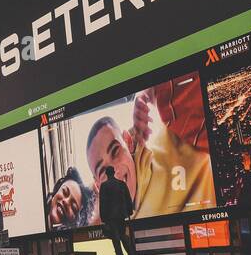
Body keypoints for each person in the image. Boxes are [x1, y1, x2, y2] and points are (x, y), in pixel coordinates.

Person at [84, 82, 215, 224]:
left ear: (128, 142)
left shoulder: (171, 142)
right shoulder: (113, 229)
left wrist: (147, 93)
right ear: (98, 185)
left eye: (115, 151)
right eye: (103, 170)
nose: (114, 172)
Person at [96, 167, 135, 255]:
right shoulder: (122, 184)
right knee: (122, 234)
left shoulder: (104, 186)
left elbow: (103, 203)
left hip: (110, 217)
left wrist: (103, 218)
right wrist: (129, 211)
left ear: (107, 174)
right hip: (121, 215)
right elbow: (128, 199)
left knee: (115, 237)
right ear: (113, 173)